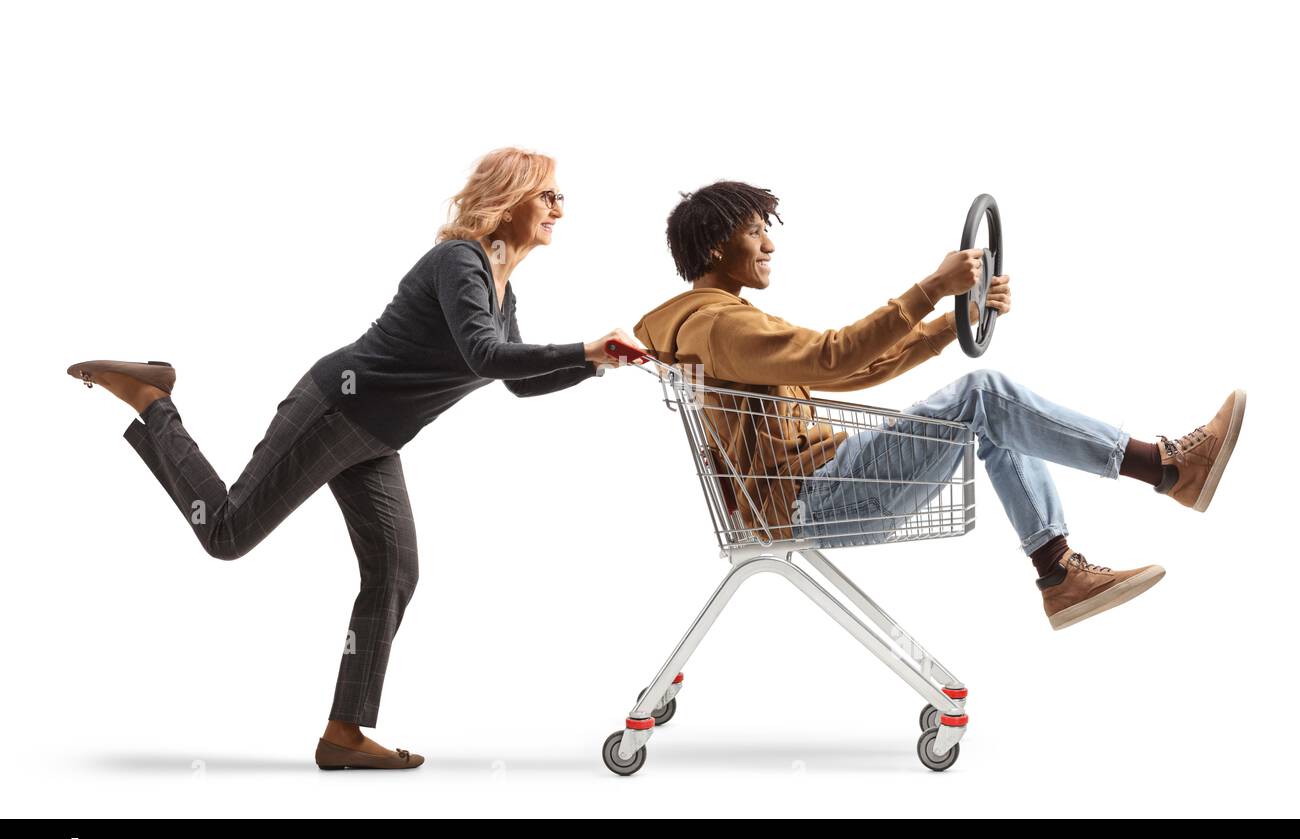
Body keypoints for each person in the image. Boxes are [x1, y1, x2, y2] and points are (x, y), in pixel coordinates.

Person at [68, 147, 636, 768]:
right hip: (337, 409)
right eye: (547, 194)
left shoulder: (501, 290)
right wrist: (586, 346)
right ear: (507, 200)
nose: (559, 206)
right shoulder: (459, 261)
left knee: (395, 573)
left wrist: (595, 362)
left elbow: (519, 380)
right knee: (226, 533)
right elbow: (484, 357)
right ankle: (154, 399)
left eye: (561, 196)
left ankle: (343, 734)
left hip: (377, 436)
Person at [633, 181, 1245, 630]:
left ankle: (1060, 575)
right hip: (813, 497)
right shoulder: (720, 328)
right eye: (754, 231)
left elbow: (859, 368)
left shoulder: (719, 324)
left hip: (817, 488)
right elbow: (832, 357)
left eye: (769, 229)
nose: (769, 244)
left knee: (993, 412)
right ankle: (1164, 467)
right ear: (715, 246)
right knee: (984, 394)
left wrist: (957, 320)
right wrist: (932, 288)